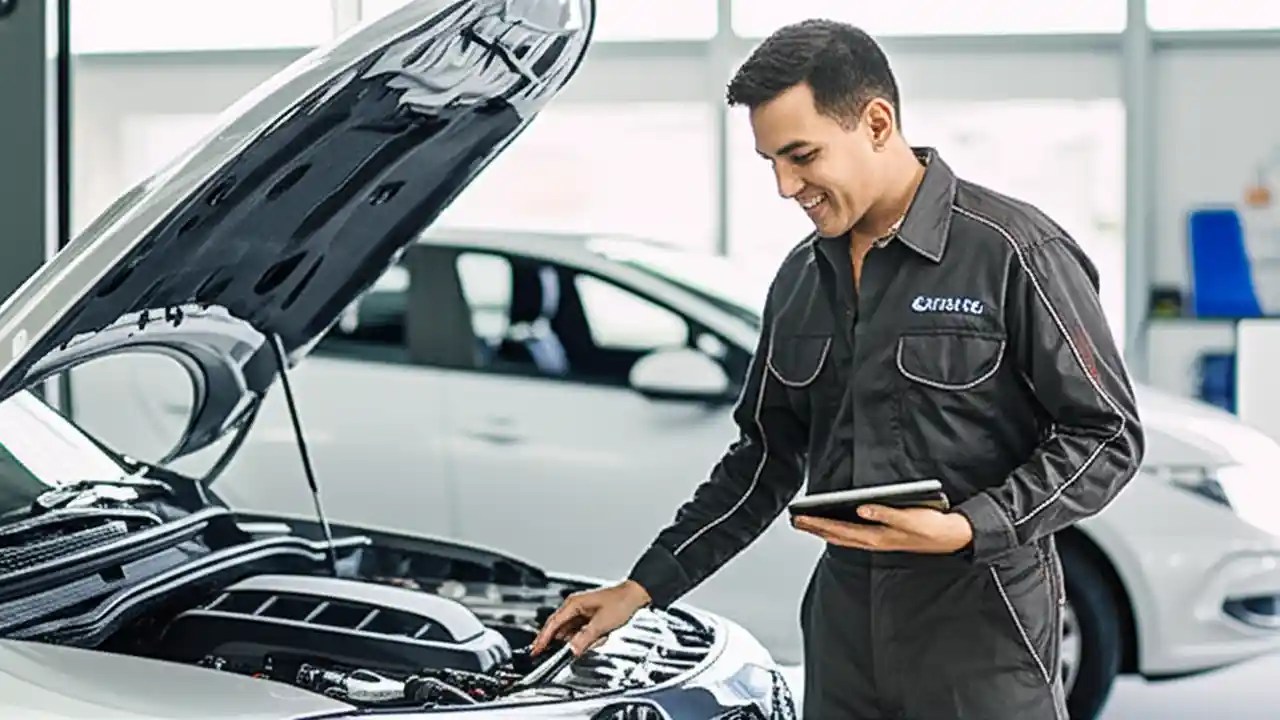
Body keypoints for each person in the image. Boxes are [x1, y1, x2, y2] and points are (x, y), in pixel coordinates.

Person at [531, 18, 1144, 720]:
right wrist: (641, 589)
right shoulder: (799, 279)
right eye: (771, 163)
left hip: (981, 627)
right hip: (843, 630)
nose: (787, 186)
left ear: (877, 122)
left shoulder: (1013, 250)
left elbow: (1106, 434)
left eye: (801, 155)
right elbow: (763, 460)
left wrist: (974, 525)